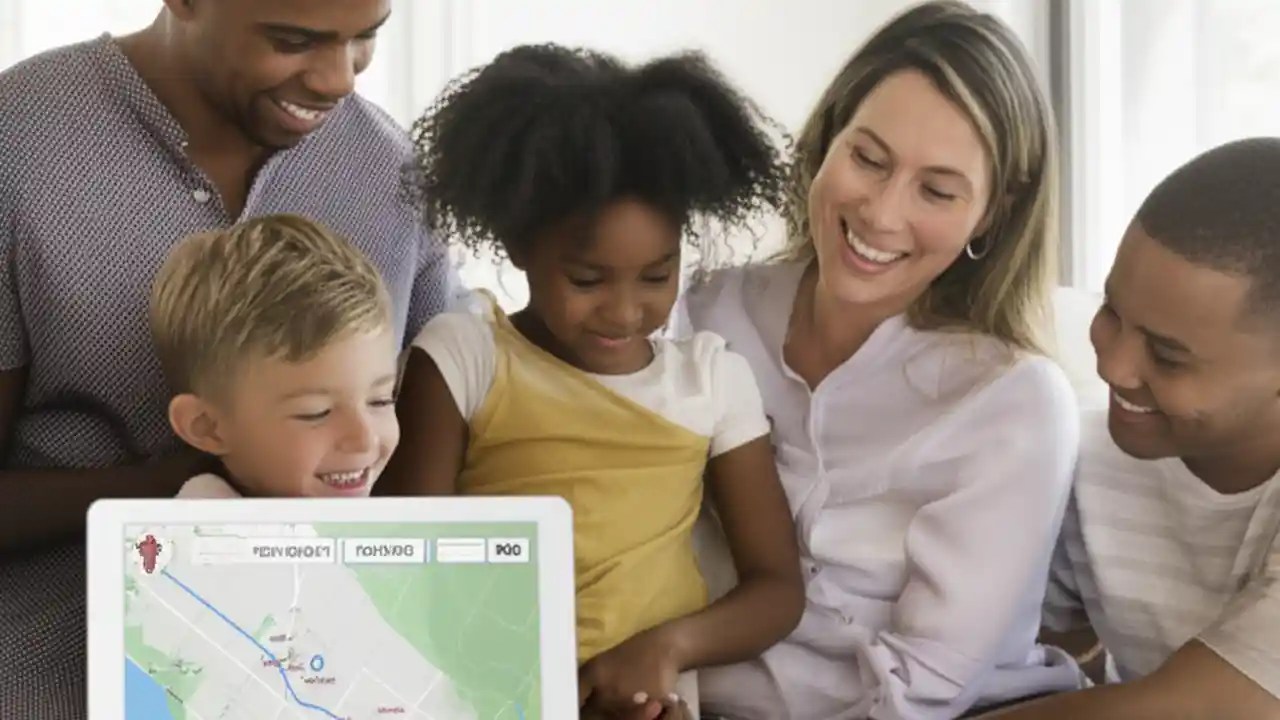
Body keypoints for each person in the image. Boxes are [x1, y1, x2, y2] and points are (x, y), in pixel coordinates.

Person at [0, 1, 452, 715]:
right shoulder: (19, 141)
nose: (339, 79)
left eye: (366, 37)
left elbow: (434, 485)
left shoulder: (396, 176)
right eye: (293, 40)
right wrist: (192, 488)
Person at [378, 44, 805, 719]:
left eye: (657, 276)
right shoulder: (463, 357)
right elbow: (402, 563)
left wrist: (667, 649)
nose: (625, 311)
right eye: (587, 280)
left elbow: (777, 589)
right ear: (518, 244)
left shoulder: (714, 382)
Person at [684, 2, 1083, 717]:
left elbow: (921, 693)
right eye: (868, 159)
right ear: (828, 137)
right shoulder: (708, 311)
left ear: (994, 210)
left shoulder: (1012, 401)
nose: (881, 214)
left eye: (936, 190)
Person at [984, 139, 1280, 719]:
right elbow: (1010, 657)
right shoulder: (1082, 462)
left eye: (1168, 357)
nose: (1114, 367)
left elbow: (1203, 711)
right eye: (1111, 313)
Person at [150, 214, 400, 500]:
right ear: (208, 427)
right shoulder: (202, 527)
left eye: (381, 400)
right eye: (315, 412)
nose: (364, 439)